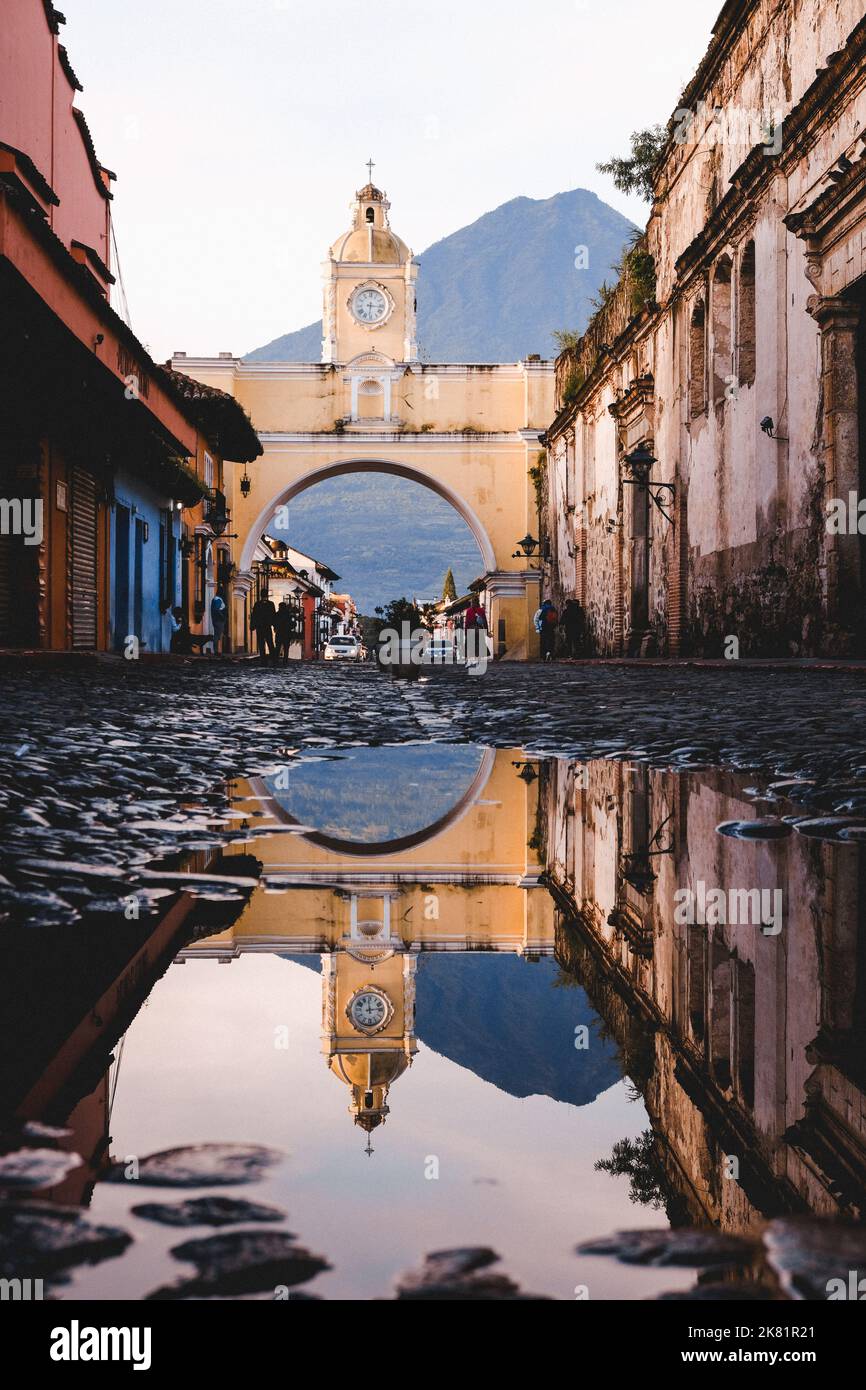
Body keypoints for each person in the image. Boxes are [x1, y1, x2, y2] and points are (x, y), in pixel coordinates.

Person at [250, 591, 277, 662]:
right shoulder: (271, 604)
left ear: (261, 595)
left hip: (260, 626)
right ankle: (273, 659)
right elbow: (273, 615)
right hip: (267, 626)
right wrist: (275, 626)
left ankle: (263, 659)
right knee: (270, 642)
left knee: (262, 643)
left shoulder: (257, 604)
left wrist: (252, 625)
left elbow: (254, 615)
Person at [463, 598, 488, 662]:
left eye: (471, 602)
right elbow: (484, 621)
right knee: (479, 644)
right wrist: (486, 631)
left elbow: (467, 622)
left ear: (473, 603)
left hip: (471, 629)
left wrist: (466, 631)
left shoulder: (469, 611)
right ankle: (478, 659)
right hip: (479, 629)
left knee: (469, 644)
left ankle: (469, 658)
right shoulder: (481, 610)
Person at [274, 597, 296, 664]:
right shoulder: (288, 614)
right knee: (286, 648)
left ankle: (276, 660)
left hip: (279, 633)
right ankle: (285, 660)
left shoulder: (277, 614)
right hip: (287, 633)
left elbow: (273, 622)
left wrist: (276, 627)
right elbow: (293, 623)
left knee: (278, 647)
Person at [210, 589, 227, 656]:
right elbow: (217, 610)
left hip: (217, 620)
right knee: (217, 636)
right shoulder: (218, 600)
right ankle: (216, 651)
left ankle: (216, 650)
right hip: (219, 620)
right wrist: (222, 616)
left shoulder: (215, 599)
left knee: (217, 635)